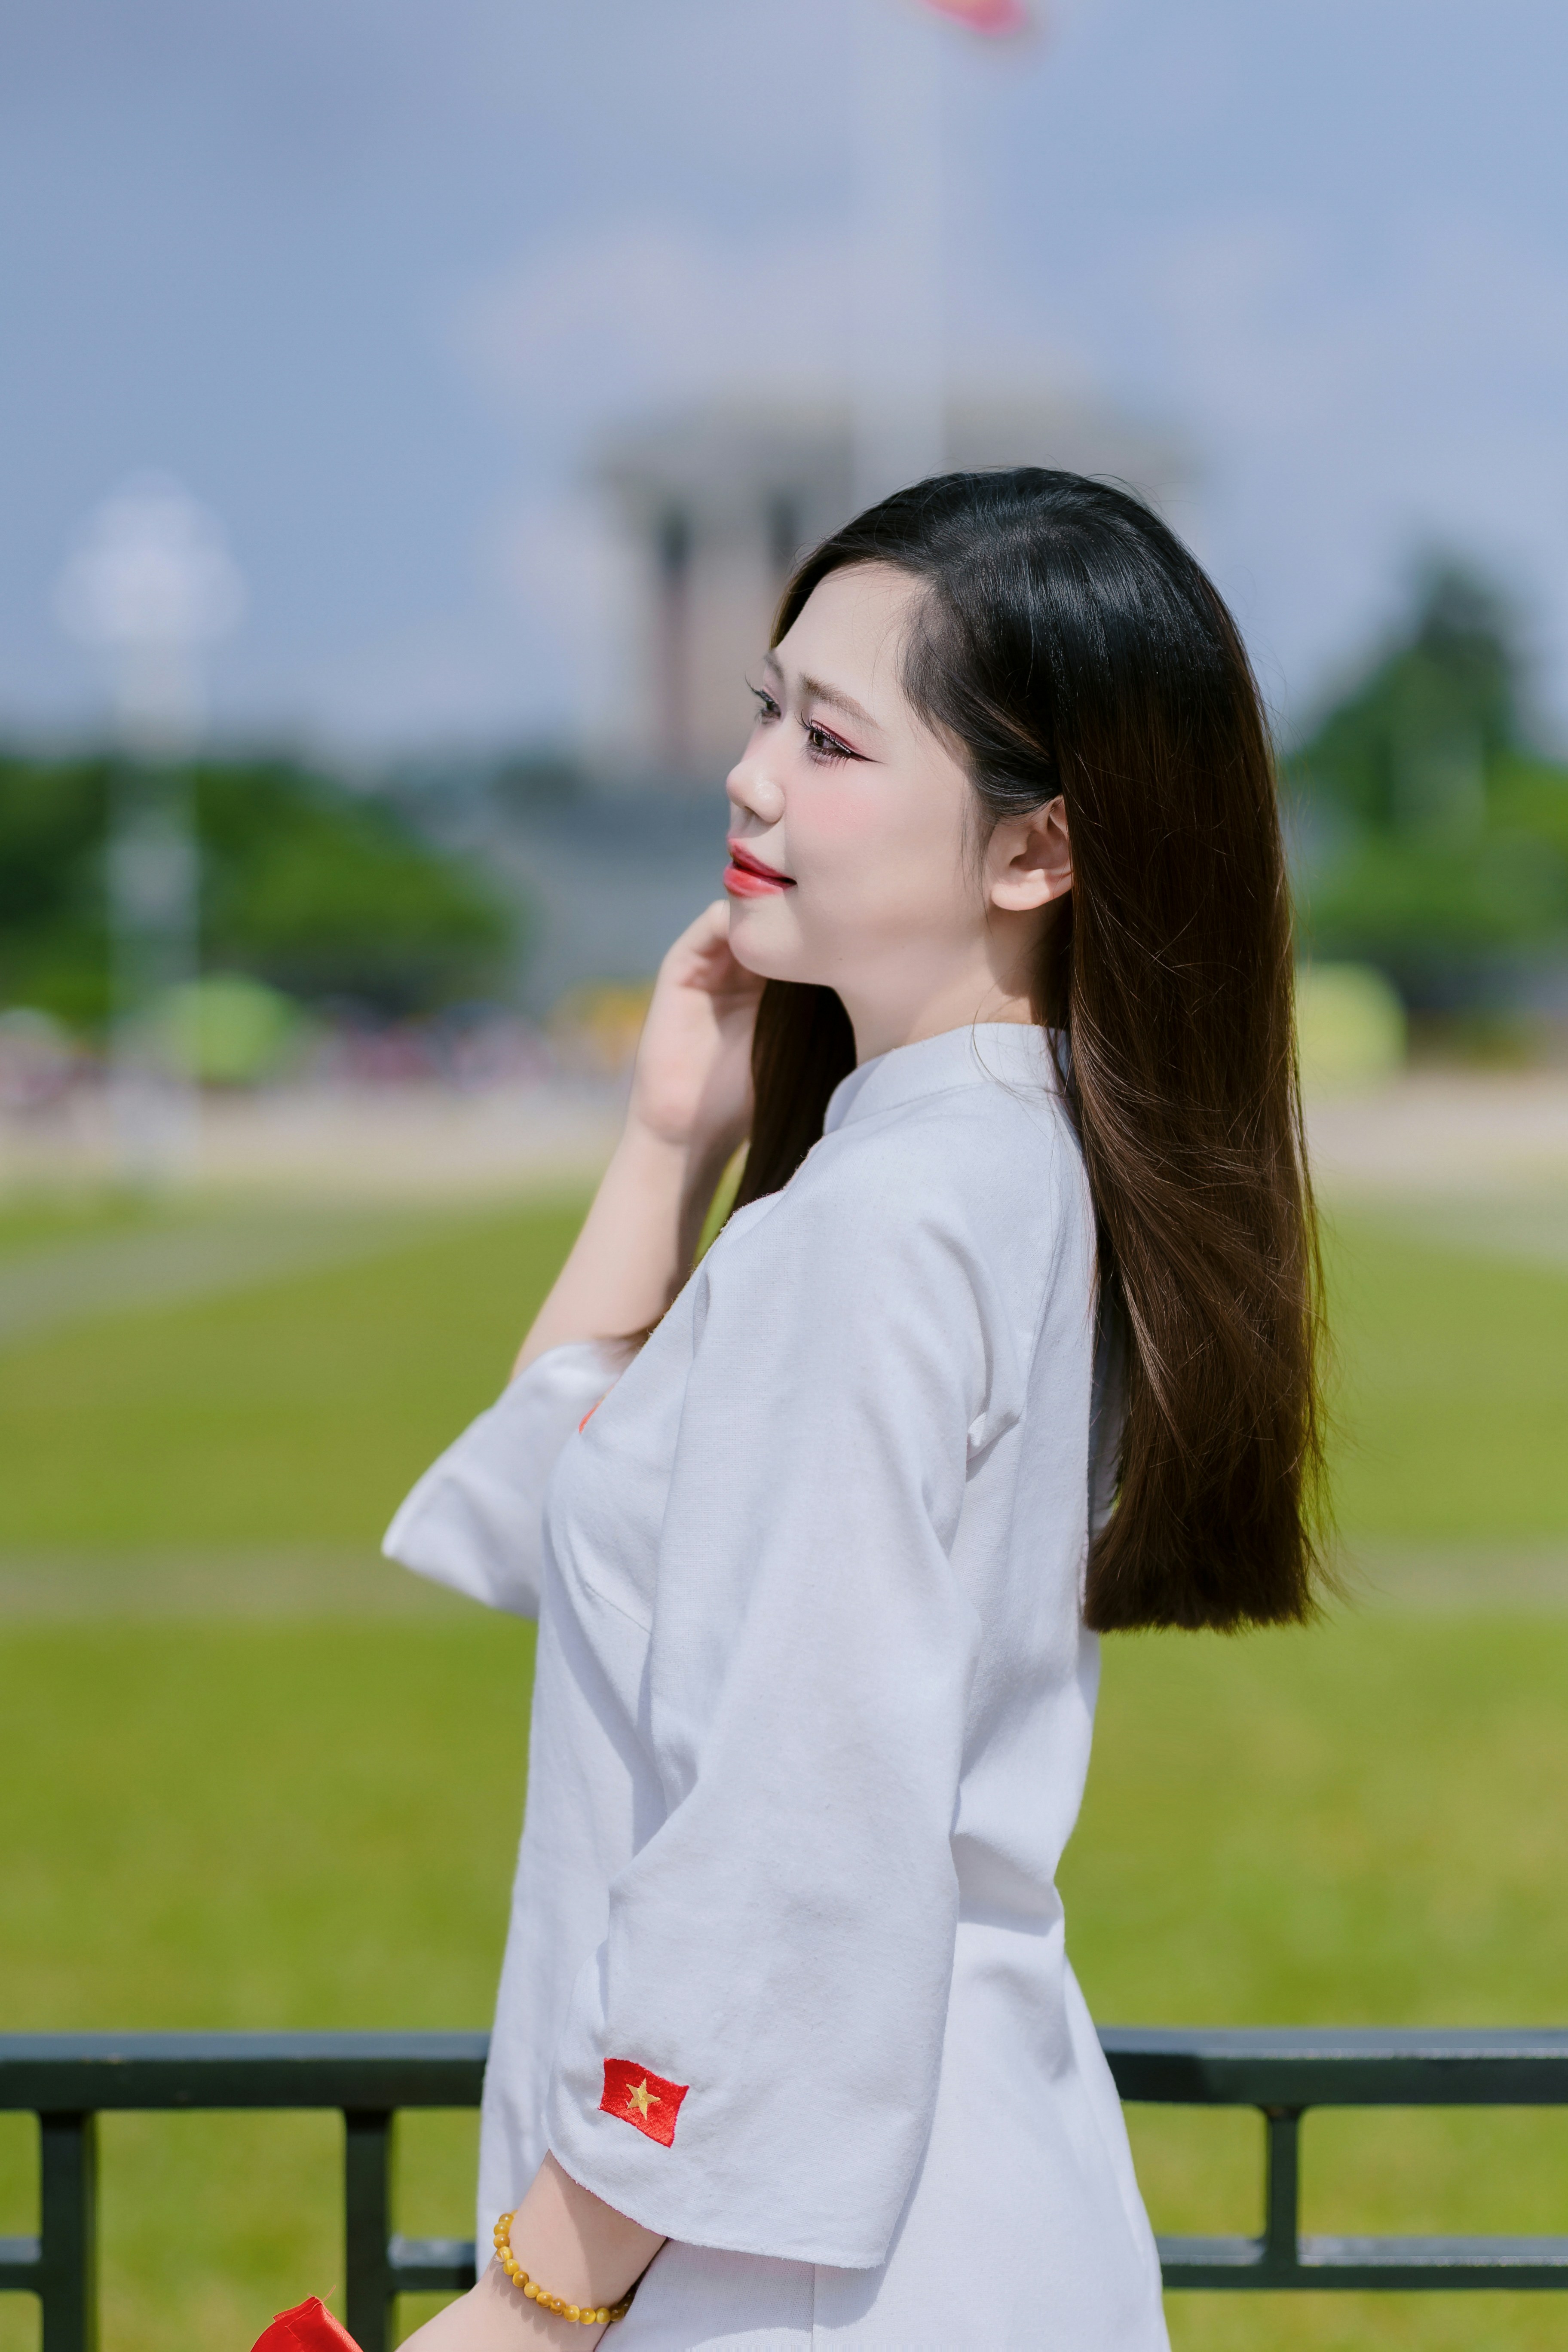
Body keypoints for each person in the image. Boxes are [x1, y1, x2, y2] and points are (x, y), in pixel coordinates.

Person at [384, 470, 1325, 2349]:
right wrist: (670, 1143)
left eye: (830, 738)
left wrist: (531, 2303)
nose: (750, 778)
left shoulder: (887, 1225)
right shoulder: (1016, 1169)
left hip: (804, 2266)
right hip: (933, 2207)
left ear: (1035, 851)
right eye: (764, 711)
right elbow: (572, 1513)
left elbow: (794, 1833)